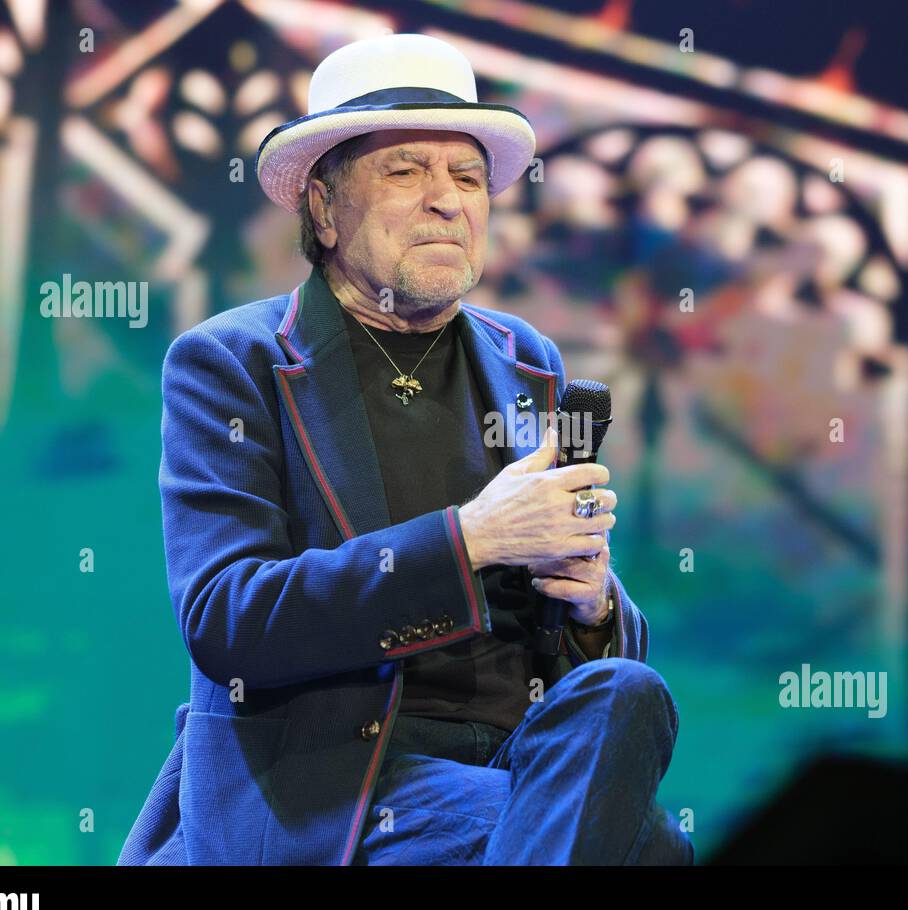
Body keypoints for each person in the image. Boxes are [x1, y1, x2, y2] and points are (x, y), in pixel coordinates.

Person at [118, 32, 692, 866]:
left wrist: (593, 602)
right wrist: (474, 540)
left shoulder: (528, 360)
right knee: (645, 849)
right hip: (344, 777)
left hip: (524, 753)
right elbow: (227, 620)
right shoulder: (232, 362)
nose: (447, 201)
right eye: (405, 172)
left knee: (625, 688)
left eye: (467, 178)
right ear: (323, 205)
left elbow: (577, 643)